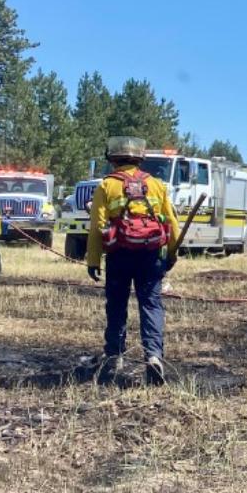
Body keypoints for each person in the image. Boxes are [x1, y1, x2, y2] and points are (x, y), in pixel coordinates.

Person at [86, 136, 183, 386]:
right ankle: (153, 356)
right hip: (151, 255)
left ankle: (114, 357)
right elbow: (171, 222)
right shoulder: (156, 184)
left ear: (112, 159)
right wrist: (172, 253)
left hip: (119, 255)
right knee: (151, 304)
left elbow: (97, 227)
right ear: (140, 158)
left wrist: (93, 260)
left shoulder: (107, 186)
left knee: (117, 305)